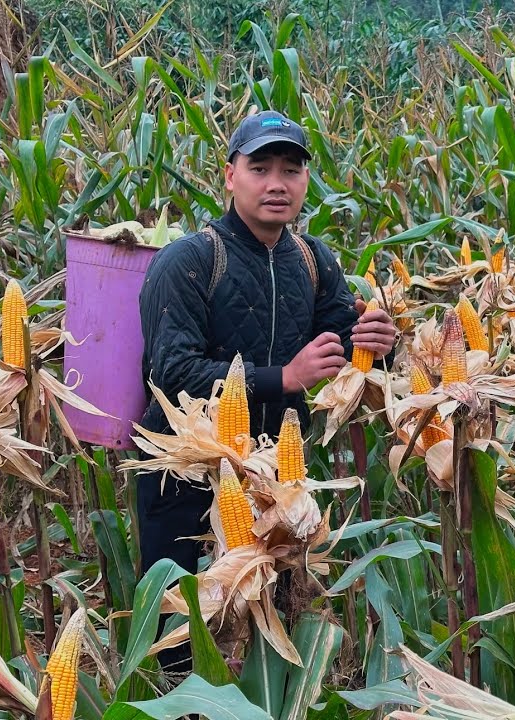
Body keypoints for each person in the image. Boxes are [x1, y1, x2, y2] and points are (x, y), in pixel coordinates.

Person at [134, 110, 398, 671]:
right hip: (188, 480)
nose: (277, 183)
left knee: (268, 630)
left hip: (272, 479)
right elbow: (170, 370)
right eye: (261, 168)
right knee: (187, 639)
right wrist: (283, 378)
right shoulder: (188, 261)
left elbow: (341, 338)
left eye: (291, 169)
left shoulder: (312, 259)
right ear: (230, 176)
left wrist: (378, 342)